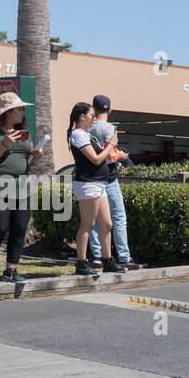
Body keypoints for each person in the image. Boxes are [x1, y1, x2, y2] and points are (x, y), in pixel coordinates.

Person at [0, 92, 44, 283]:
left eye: (22, 109)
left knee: (19, 227)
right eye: (19, 109)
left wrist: (36, 156)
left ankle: (11, 270)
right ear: (7, 113)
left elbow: (27, 160)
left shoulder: (24, 133)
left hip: (22, 185)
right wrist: (5, 143)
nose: (23, 113)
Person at [66, 101, 127, 276]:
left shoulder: (88, 136)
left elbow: (104, 156)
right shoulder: (78, 135)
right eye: (92, 115)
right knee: (87, 224)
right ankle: (82, 262)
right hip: (88, 184)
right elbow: (96, 159)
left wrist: (115, 152)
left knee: (107, 223)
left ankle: (108, 260)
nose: (94, 118)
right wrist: (110, 144)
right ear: (82, 117)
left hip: (100, 184)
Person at [85, 95, 141, 268]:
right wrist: (122, 156)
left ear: (93, 109)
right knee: (118, 217)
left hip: (92, 178)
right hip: (109, 178)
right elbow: (111, 153)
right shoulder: (110, 128)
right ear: (110, 109)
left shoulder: (87, 128)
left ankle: (97, 255)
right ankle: (124, 256)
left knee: (94, 220)